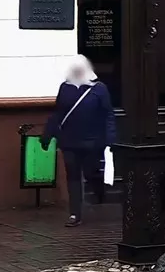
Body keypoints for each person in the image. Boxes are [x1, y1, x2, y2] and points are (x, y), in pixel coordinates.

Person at [40, 55, 116, 227]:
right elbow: (58, 114)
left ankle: (98, 190)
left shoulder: (99, 89)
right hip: (70, 142)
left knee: (92, 173)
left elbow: (108, 115)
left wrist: (110, 139)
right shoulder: (65, 88)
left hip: (93, 142)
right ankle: (75, 213)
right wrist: (47, 135)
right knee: (73, 177)